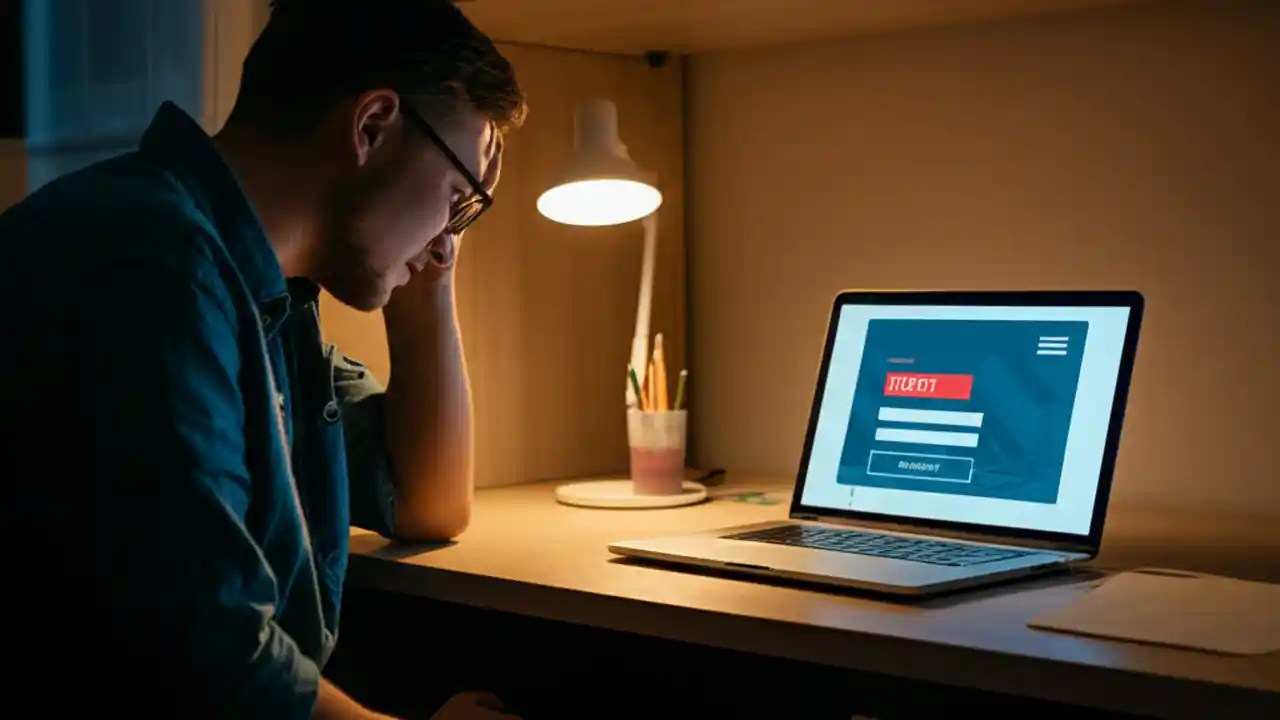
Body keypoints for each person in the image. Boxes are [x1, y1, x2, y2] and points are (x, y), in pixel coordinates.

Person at [0, 1, 525, 718]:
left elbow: (427, 501)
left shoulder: (262, 301)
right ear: (371, 126)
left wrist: (426, 262)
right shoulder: (152, 268)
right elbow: (205, 655)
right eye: (459, 201)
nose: (447, 239)